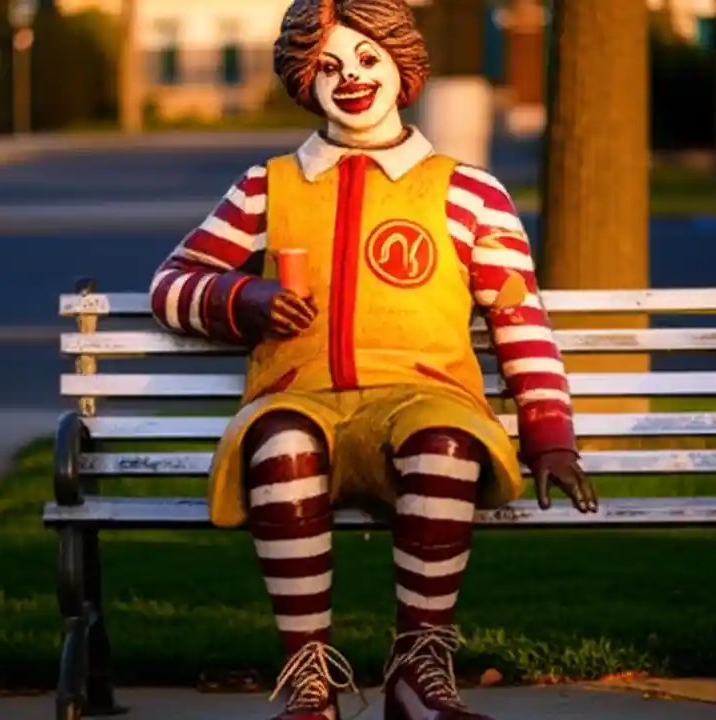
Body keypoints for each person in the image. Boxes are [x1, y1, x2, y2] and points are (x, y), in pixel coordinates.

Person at [148, 1, 596, 717]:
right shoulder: (268, 186)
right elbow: (171, 285)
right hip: (299, 399)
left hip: (424, 400)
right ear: (303, 78)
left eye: (365, 58)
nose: (349, 77)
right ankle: (309, 681)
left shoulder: (469, 192)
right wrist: (243, 298)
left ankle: (419, 671)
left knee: (446, 446)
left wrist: (548, 432)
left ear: (400, 64)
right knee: (280, 442)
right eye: (326, 64)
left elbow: (519, 317)